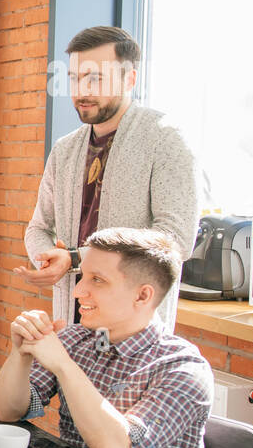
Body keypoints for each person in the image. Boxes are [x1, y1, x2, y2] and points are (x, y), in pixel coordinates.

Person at [0, 228, 211, 448]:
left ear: (142, 296)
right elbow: (9, 412)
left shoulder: (183, 369)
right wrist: (21, 354)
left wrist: (63, 365)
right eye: (83, 276)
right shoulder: (75, 339)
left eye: (97, 280)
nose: (79, 291)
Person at [18, 26, 198, 333]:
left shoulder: (165, 139)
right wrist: (46, 260)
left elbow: (175, 239)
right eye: (75, 78)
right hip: (72, 327)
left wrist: (74, 259)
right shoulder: (64, 150)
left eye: (95, 77)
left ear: (129, 79)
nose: (82, 90)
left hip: (134, 338)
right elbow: (39, 227)